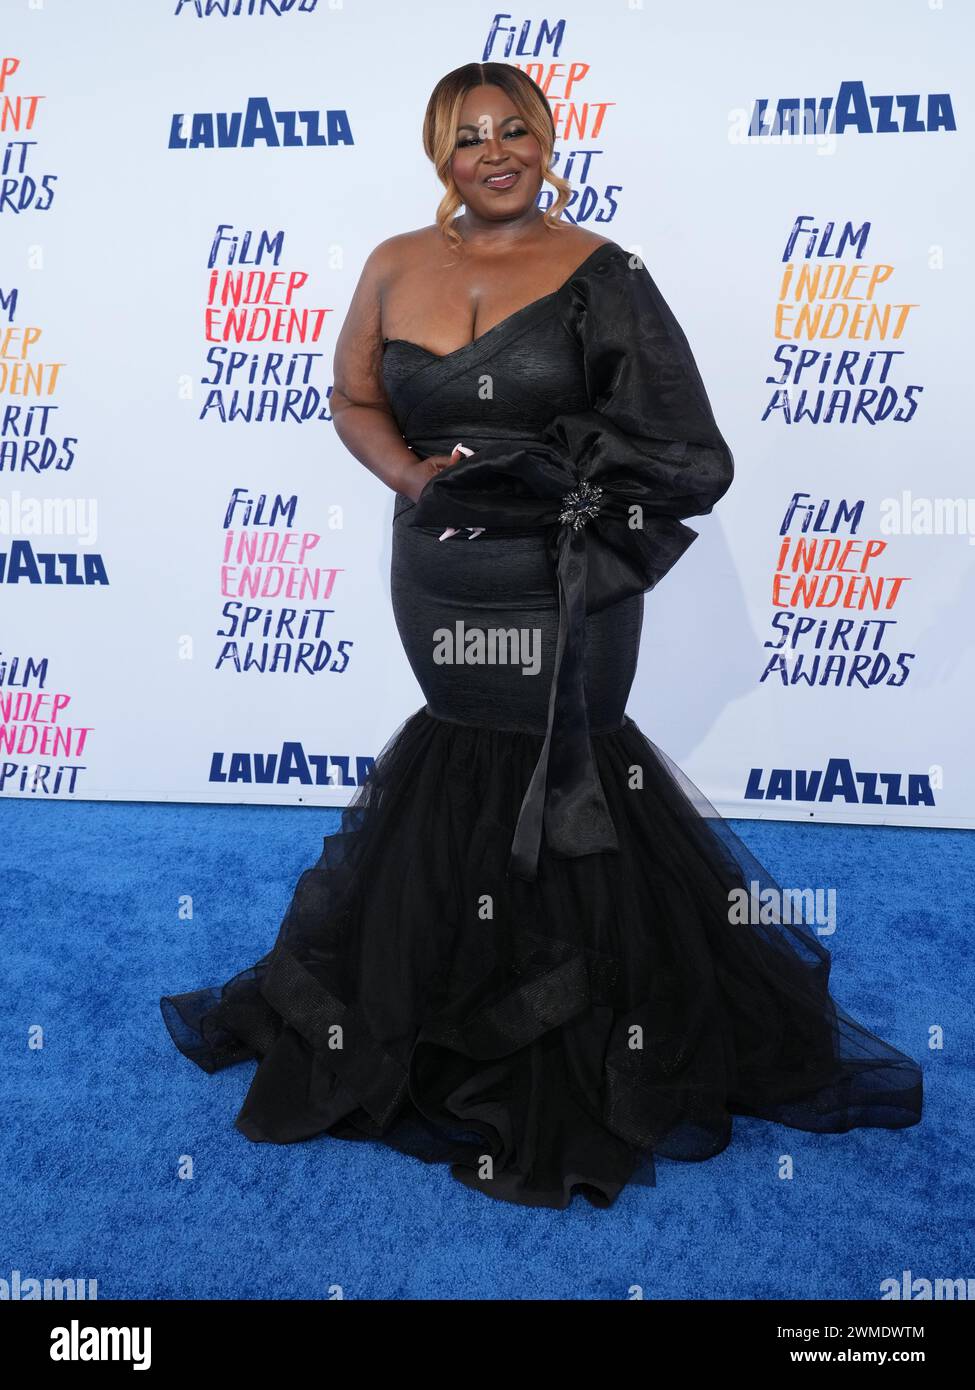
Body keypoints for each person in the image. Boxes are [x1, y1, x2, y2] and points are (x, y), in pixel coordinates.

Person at [160, 62, 923, 1210]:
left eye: (515, 129)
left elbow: (682, 446)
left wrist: (565, 471)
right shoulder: (391, 265)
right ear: (440, 158)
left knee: (568, 756)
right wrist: (413, 477)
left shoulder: (603, 273)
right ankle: (443, 1006)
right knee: (460, 752)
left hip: (568, 581)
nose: (495, 153)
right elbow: (354, 397)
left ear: (549, 138)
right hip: (441, 575)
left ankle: (582, 1035)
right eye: (469, 139)